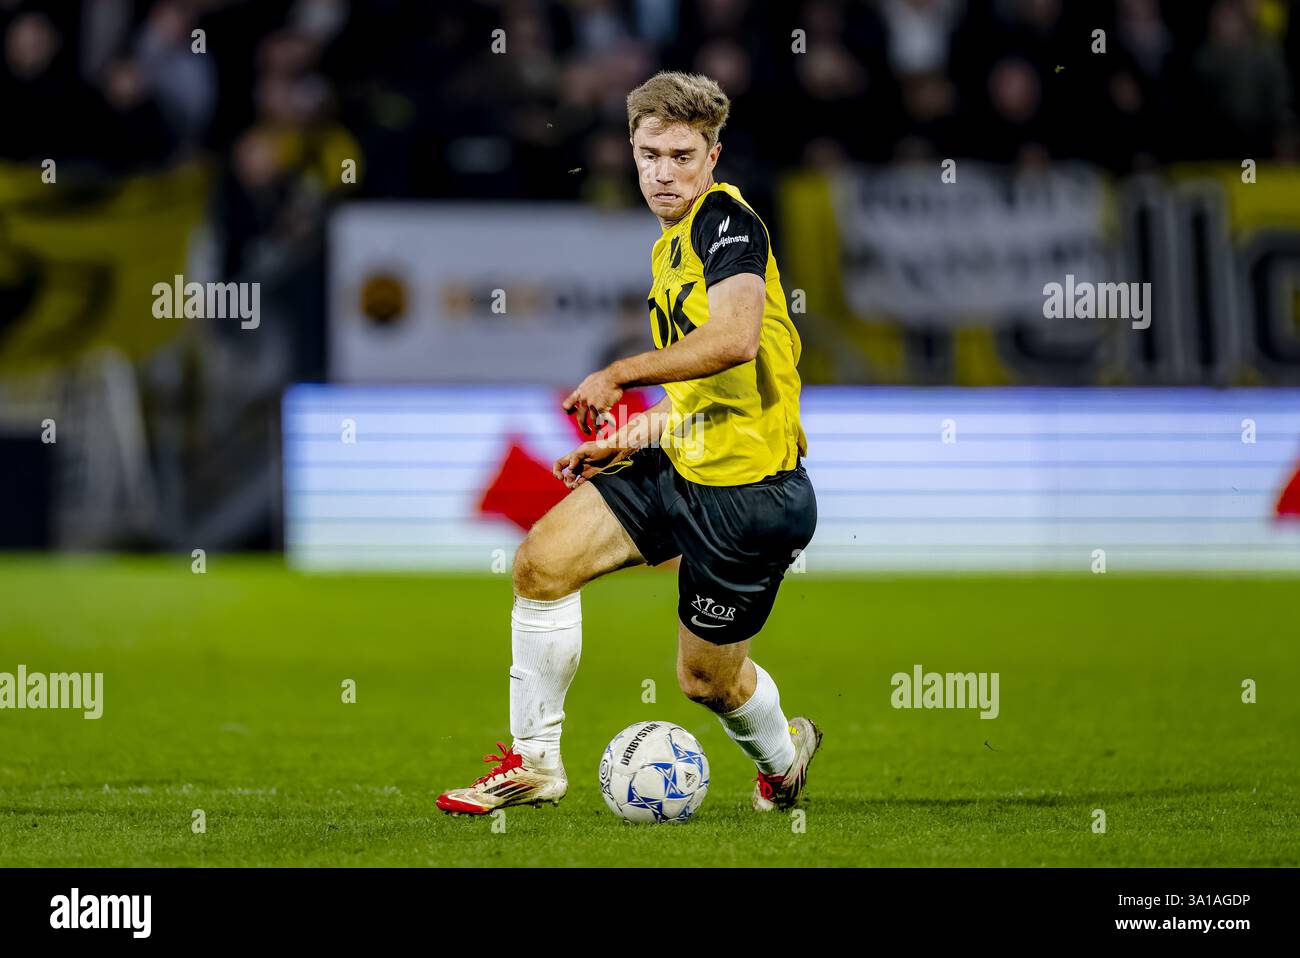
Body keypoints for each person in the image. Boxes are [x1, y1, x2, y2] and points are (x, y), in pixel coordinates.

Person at [437, 71, 819, 816]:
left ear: (713, 155)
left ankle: (785, 759)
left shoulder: (726, 222)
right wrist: (630, 434)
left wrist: (619, 373)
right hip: (683, 461)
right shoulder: (668, 249)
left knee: (706, 681)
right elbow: (699, 395)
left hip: (748, 499)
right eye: (650, 155)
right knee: (542, 563)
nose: (664, 173)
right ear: (632, 152)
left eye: (682, 155)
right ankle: (535, 763)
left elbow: (737, 340)